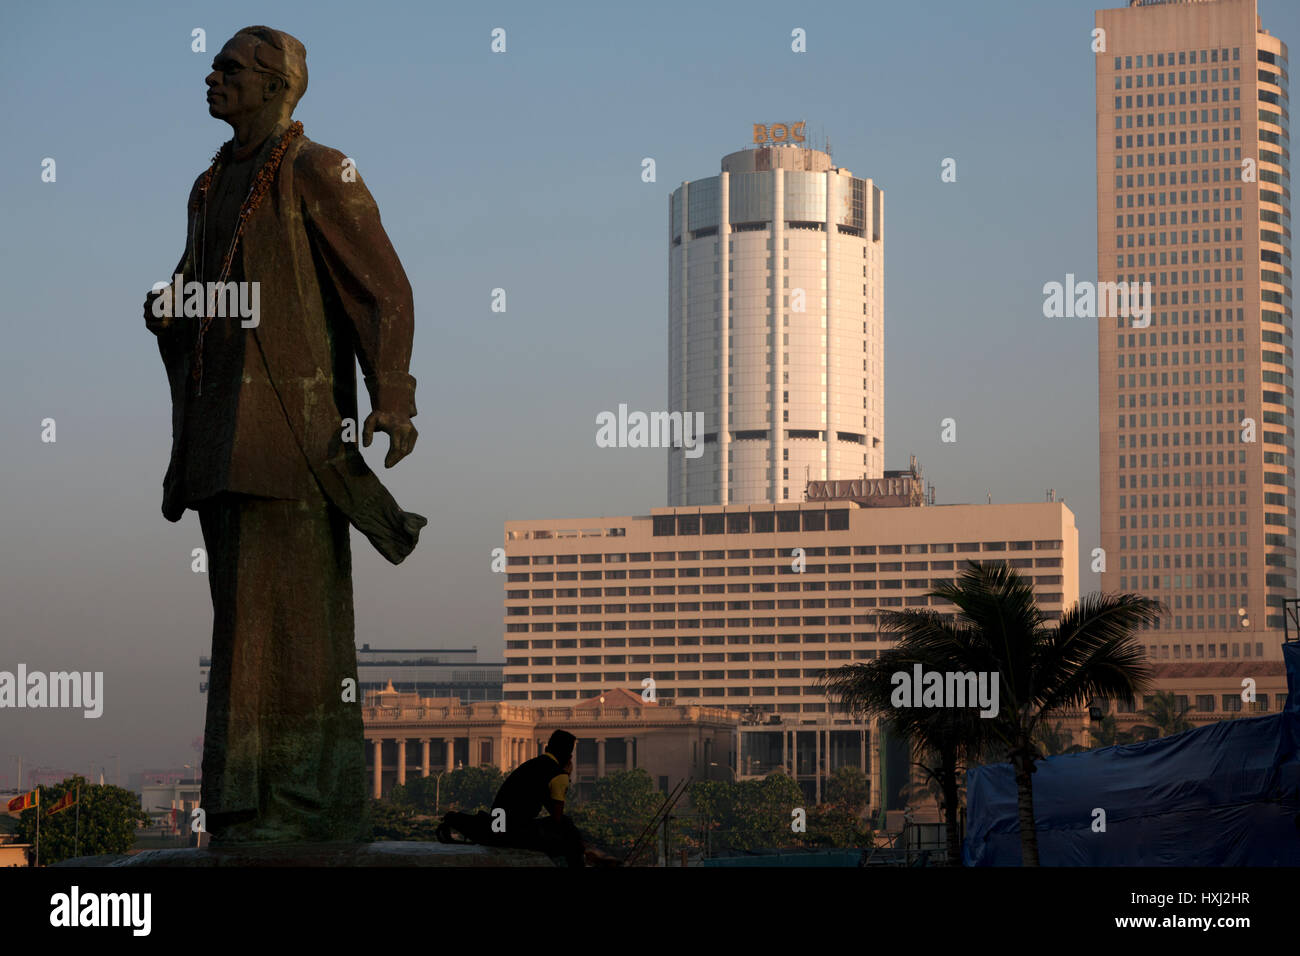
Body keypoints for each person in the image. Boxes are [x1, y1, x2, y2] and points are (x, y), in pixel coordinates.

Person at [143, 26, 424, 844]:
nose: (212, 77)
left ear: (276, 85)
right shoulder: (207, 186)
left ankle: (306, 806)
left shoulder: (315, 168)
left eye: (229, 68)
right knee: (241, 624)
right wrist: (171, 306)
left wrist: (393, 395)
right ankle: (240, 805)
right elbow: (205, 289)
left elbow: (385, 288)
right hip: (219, 437)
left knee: (299, 625)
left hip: (293, 436)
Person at [438, 730, 589, 867]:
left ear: (548, 748)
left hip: (497, 826)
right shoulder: (558, 775)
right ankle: (587, 858)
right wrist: (566, 777)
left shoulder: (532, 765)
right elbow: (557, 817)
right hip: (510, 833)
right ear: (568, 755)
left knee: (565, 828)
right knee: (567, 834)